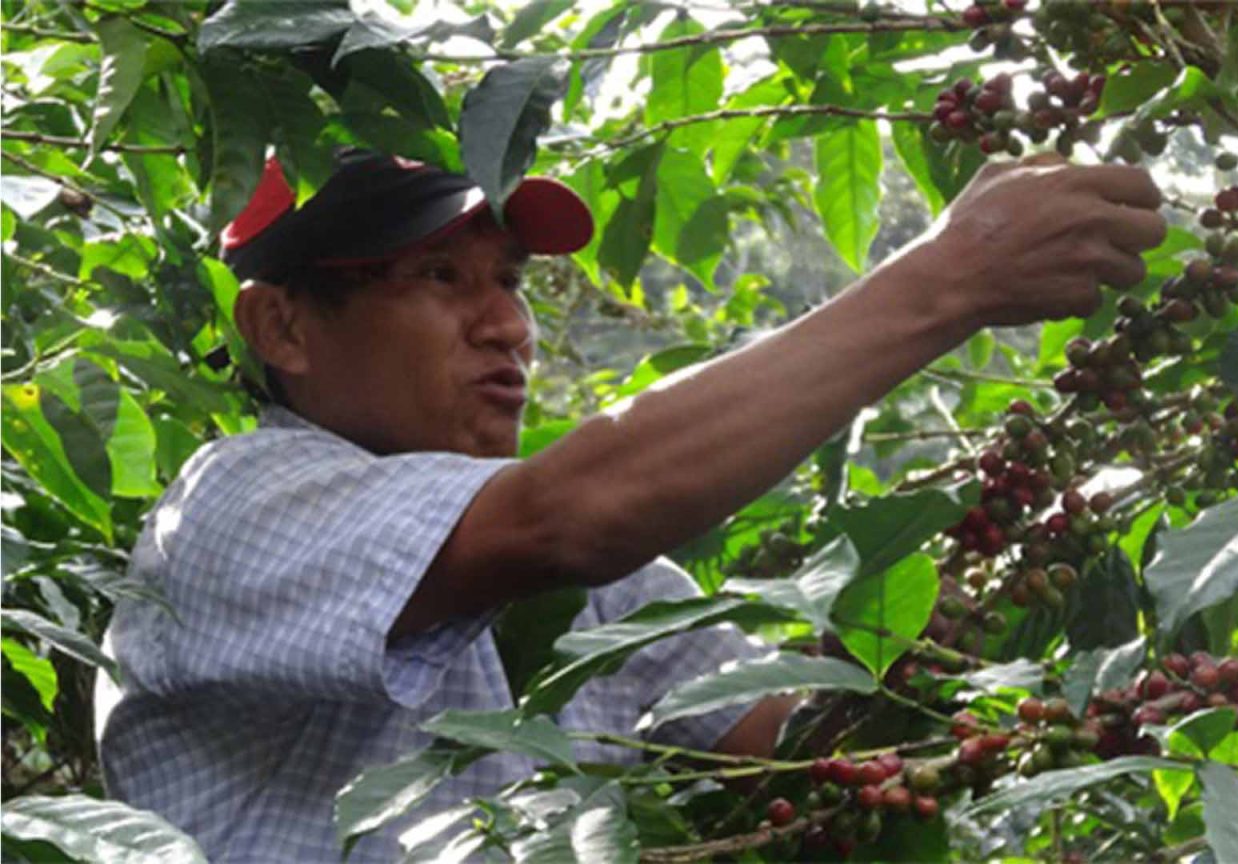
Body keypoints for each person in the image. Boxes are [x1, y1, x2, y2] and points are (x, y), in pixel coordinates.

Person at [95, 146, 1164, 863]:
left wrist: (1059, 671)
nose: (506, 326)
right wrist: (950, 278)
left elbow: (802, 751)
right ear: (283, 330)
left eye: (509, 281)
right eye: (437, 277)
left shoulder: (599, 597)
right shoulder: (232, 505)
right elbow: (582, 506)